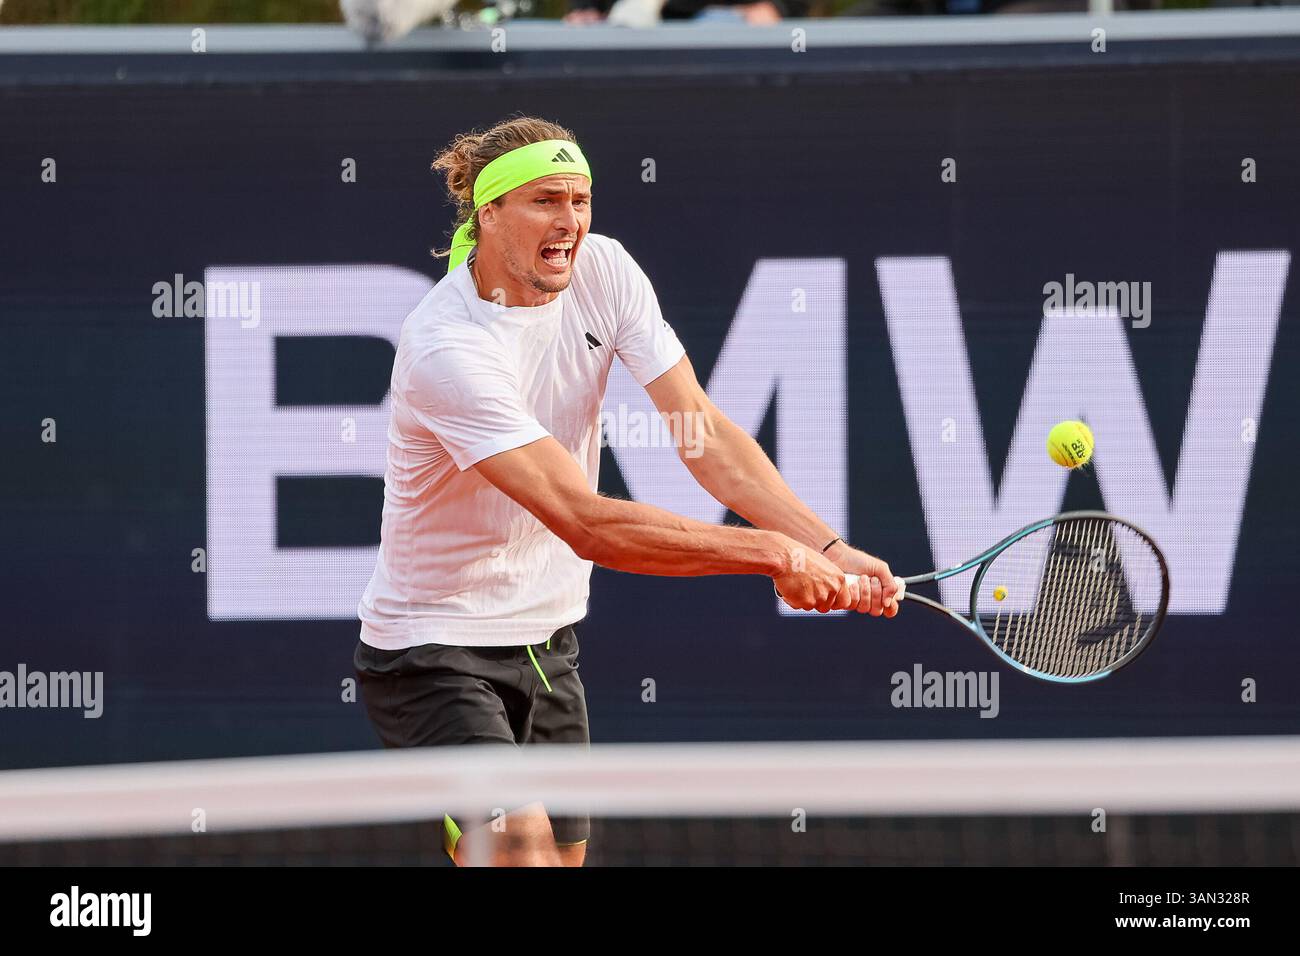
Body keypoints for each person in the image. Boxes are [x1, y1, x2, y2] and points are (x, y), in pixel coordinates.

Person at [353, 114, 901, 867]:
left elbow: (702, 435)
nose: (570, 222)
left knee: (559, 857)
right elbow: (585, 523)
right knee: (520, 841)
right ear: (488, 215)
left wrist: (825, 546)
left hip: (547, 640)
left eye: (581, 201)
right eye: (546, 200)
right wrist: (770, 554)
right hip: (431, 646)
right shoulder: (447, 347)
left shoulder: (604, 272)